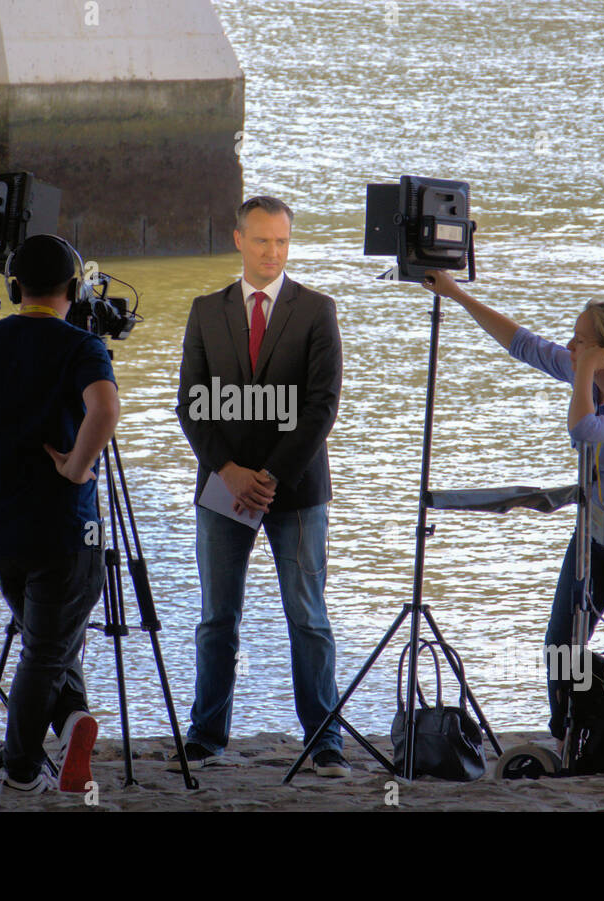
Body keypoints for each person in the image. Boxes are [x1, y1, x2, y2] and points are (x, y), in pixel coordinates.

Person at [422, 268, 604, 740]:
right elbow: (521, 343)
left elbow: (583, 430)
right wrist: (457, 295)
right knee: (562, 642)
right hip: (596, 533)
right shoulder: (586, 369)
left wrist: (582, 369)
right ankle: (568, 732)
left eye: (580, 340)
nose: (569, 344)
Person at [173, 196, 349, 777]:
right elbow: (192, 405)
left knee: (308, 615)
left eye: (282, 242)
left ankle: (324, 741)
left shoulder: (317, 310)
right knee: (217, 617)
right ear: (238, 239)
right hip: (223, 486)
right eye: (262, 241)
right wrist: (229, 472)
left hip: (294, 492)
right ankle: (206, 737)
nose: (273, 252)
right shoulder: (205, 310)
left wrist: (270, 476)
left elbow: (322, 406)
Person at [0, 234, 120, 792]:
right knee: (45, 650)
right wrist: (77, 468)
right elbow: (105, 410)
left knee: (51, 640)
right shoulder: (80, 347)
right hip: (63, 529)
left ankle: (74, 721)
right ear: (74, 289)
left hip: (1, 530)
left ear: (14, 288)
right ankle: (22, 770)